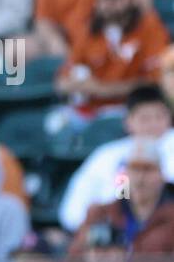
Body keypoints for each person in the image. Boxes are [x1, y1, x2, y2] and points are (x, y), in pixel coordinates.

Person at [54, 0, 168, 117]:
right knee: (56, 123)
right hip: (91, 110)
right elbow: (64, 77)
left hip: (133, 109)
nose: (108, 2)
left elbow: (155, 82)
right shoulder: (88, 28)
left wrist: (103, 89)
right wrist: (70, 83)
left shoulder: (149, 26)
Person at [59, 85, 174, 230]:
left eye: (159, 116)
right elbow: (72, 210)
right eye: (145, 118)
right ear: (128, 122)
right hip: (114, 235)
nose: (153, 124)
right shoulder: (107, 154)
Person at [64, 138, 174, 262]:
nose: (140, 178)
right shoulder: (101, 213)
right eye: (134, 169)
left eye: (148, 170)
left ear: (161, 175)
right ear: (124, 175)